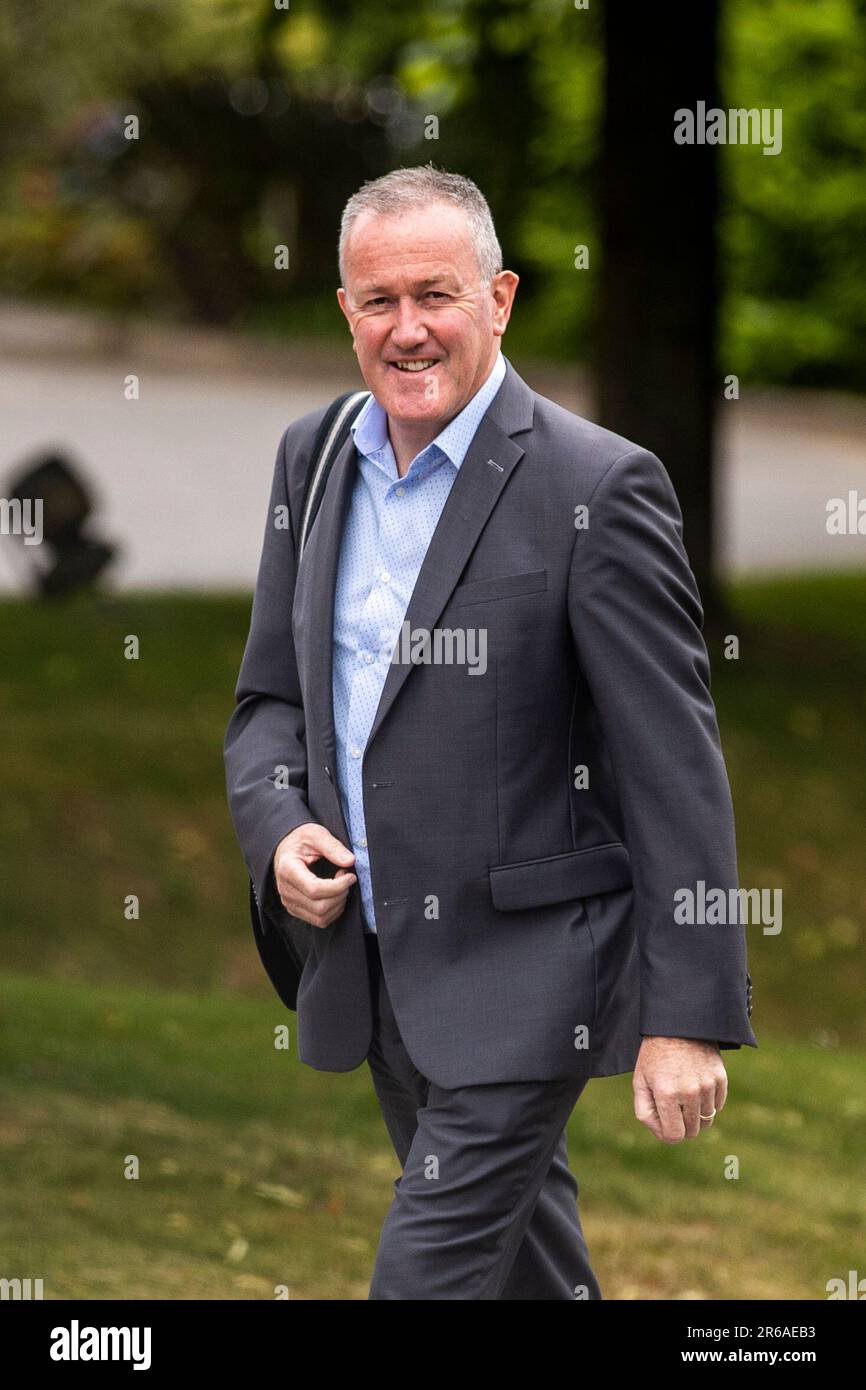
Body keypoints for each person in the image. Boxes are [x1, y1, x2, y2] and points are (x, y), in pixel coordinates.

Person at [224, 164, 756, 1300]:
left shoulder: (598, 486)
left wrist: (688, 1013)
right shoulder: (310, 460)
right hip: (374, 968)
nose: (406, 329)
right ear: (344, 313)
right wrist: (279, 831)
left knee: (423, 1282)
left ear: (499, 299)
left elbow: (672, 765)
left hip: (528, 983)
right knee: (527, 1277)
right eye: (378, 301)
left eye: (436, 294)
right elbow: (269, 699)